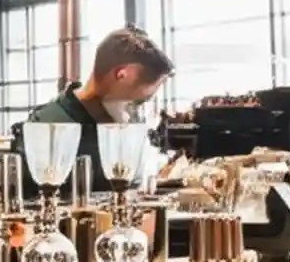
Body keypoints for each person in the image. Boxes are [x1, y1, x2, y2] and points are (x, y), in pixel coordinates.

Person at [18, 25, 174, 193]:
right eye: (134, 102)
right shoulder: (47, 126)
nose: (132, 113)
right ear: (123, 74)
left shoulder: (115, 119)